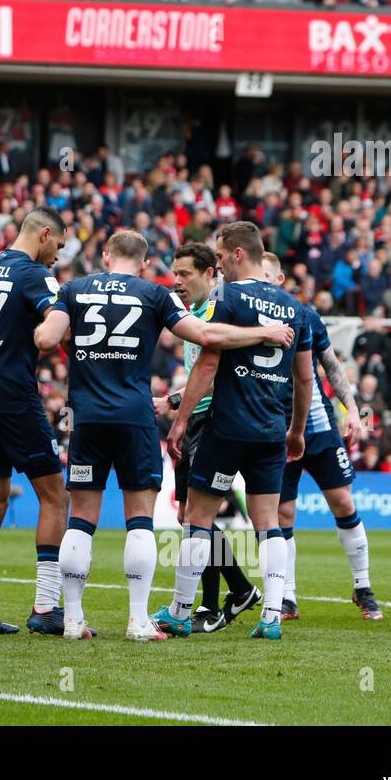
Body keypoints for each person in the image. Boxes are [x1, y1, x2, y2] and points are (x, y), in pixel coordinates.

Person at [36, 231, 293, 642]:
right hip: (135, 416)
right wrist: (262, 334)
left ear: (105, 256)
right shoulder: (154, 294)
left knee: (81, 520)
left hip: (85, 417)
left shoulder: (73, 289)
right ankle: (138, 621)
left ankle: (72, 619)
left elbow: (47, 339)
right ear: (143, 263)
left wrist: (83, 354)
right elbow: (207, 338)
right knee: (140, 521)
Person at [156, 221, 313, 640]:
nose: (219, 264)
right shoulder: (295, 307)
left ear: (238, 254)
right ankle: (272, 616)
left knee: (198, 518)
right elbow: (305, 379)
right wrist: (296, 430)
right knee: (268, 524)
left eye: (221, 255)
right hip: (271, 430)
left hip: (227, 427)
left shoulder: (226, 296)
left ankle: (180, 609)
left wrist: (182, 418)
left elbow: (208, 363)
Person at [0, 206, 69, 636]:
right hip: (14, 395)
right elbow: (54, 326)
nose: (57, 256)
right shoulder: (36, 275)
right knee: (55, 496)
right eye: (57, 246)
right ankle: (45, 607)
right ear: (44, 234)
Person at [260, 252, 381, 622]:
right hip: (275, 431)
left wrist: (354, 410)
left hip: (318, 428)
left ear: (279, 279)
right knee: (283, 512)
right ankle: (287, 597)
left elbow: (331, 366)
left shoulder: (305, 315)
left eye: (267, 275)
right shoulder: (245, 317)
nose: (260, 281)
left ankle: (362, 587)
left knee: (343, 502)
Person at [154, 243, 262, 633]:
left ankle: (212, 606)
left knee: (196, 517)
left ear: (210, 273)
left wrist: (175, 403)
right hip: (195, 416)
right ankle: (240, 591)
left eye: (185, 274)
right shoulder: (193, 315)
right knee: (189, 516)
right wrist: (174, 401)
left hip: (211, 418)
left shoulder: (216, 311)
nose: (177, 281)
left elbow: (214, 374)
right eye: (175, 273)